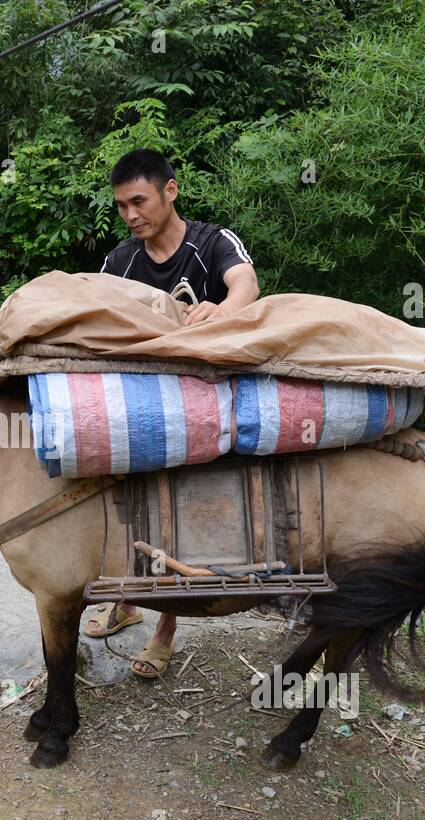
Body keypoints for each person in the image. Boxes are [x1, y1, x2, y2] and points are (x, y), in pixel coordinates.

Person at [84, 148, 260, 678]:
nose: (131, 215)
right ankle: (126, 600)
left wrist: (220, 313)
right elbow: (95, 309)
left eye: (138, 201)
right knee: (122, 499)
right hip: (144, 401)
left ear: (171, 191)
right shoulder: (119, 262)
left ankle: (165, 627)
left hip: (207, 400)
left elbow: (246, 287)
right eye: (120, 207)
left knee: (177, 513)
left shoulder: (212, 242)